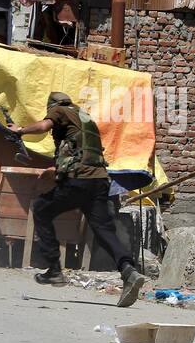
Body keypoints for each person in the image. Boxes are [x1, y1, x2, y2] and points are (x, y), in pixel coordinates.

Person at [10, 92, 147, 307]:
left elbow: (44, 127)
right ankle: (128, 270)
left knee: (41, 208)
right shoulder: (84, 117)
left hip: (79, 181)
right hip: (99, 181)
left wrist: (20, 131)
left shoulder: (59, 110)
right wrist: (55, 170)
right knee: (103, 230)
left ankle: (54, 269)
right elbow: (80, 153)